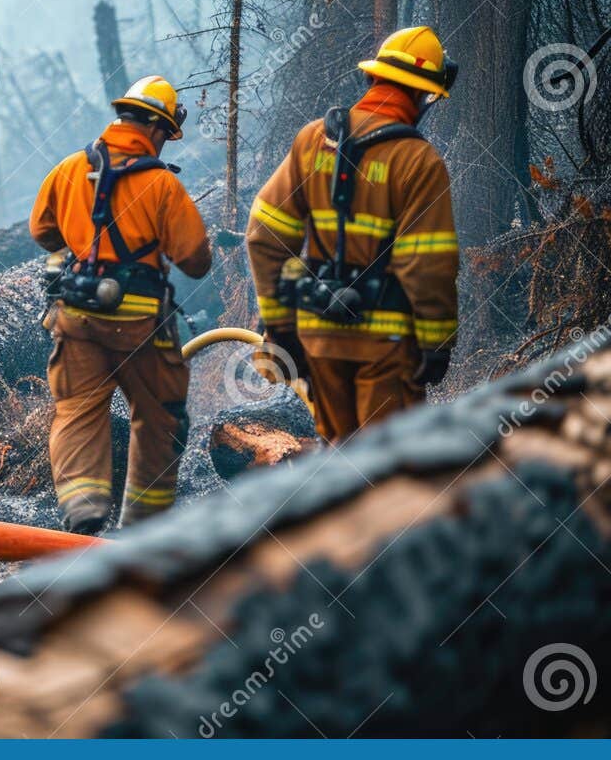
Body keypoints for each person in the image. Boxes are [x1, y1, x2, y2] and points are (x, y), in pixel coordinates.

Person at [245, 26, 460, 443]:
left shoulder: (312, 140)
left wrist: (281, 325)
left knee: (338, 458)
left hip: (318, 334)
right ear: (422, 95)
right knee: (387, 465)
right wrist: (437, 344)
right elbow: (428, 264)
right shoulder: (419, 161)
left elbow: (264, 233)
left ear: (373, 78)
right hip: (387, 343)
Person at [30, 76, 212, 534]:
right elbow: (194, 260)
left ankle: (83, 511)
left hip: (74, 319)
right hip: (140, 326)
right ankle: (144, 525)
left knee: (76, 409)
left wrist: (81, 242)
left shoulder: (70, 169)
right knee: (159, 416)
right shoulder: (160, 185)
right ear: (156, 129)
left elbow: (41, 231)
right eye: (166, 136)